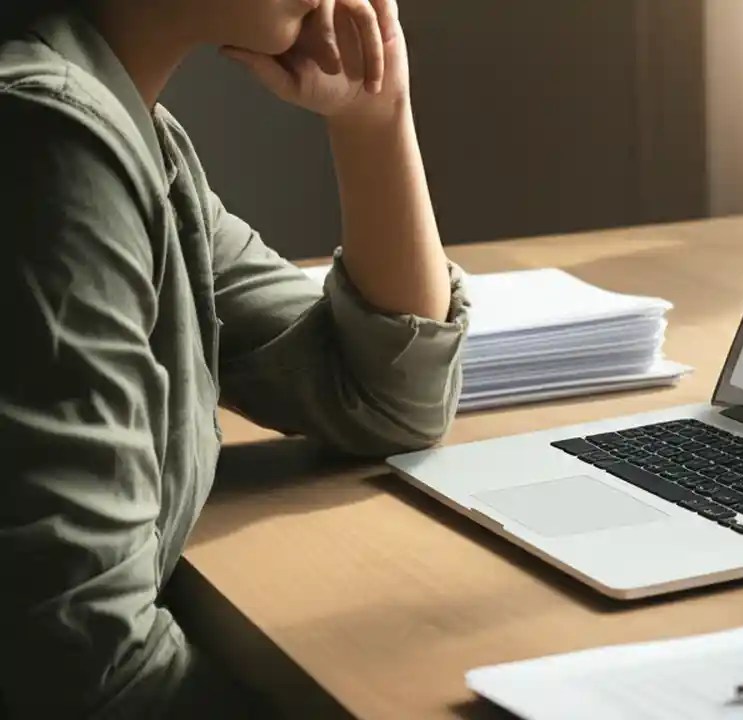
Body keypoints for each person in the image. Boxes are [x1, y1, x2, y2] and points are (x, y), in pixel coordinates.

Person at [0, 0, 469, 716]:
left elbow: (385, 397)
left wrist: (374, 117)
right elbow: (90, 669)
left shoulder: (133, 137)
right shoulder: (52, 144)